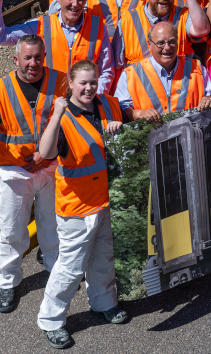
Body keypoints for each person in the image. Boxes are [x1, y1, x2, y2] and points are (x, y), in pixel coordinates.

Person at [0, 35, 63, 314]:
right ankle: (8, 282)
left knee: (53, 224)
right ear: (16, 59)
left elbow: (68, 123)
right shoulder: (0, 88)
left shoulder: (60, 81)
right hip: (14, 171)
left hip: (50, 166)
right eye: (27, 58)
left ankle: (56, 271)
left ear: (44, 57)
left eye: (38, 57)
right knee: (11, 230)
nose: (33, 63)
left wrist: (45, 155)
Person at [35, 60, 128, 348]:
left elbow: (123, 135)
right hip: (77, 208)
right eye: (83, 83)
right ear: (71, 84)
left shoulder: (107, 105)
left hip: (105, 200)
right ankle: (51, 321)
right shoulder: (63, 118)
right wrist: (56, 114)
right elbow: (45, 152)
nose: (89, 88)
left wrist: (119, 126)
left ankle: (104, 303)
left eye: (93, 82)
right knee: (70, 268)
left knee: (103, 258)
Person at [0, 0, 116, 93]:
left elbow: (106, 70)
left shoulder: (98, 27)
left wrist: (94, 97)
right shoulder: (41, 25)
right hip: (50, 99)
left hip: (85, 100)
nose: (75, 4)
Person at [115, 21, 211, 121]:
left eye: (172, 41)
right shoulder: (131, 75)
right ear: (150, 44)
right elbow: (121, 108)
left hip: (192, 129)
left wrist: (209, 100)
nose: (167, 47)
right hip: (151, 131)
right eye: (161, 43)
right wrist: (138, 113)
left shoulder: (196, 68)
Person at [117, 0, 211, 65]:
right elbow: (116, 63)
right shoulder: (127, 21)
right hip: (139, 75)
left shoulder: (182, 15)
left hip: (178, 75)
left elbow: (202, 30)